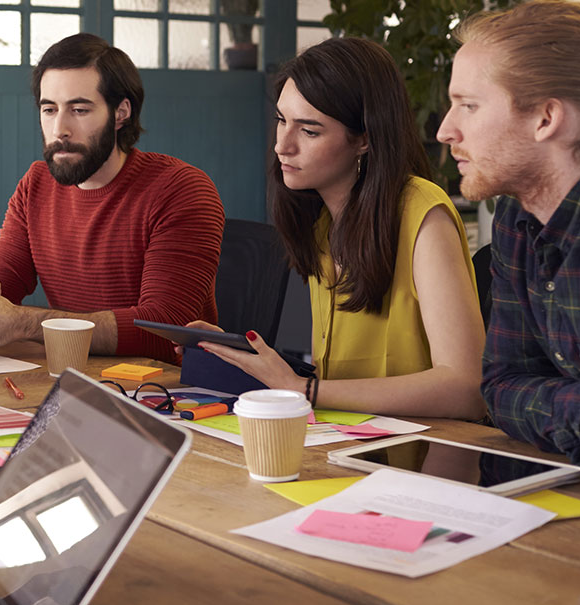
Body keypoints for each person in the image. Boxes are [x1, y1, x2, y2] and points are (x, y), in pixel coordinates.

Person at [185, 37, 486, 419]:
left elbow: (465, 389)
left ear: (363, 139)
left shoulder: (422, 213)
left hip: (414, 459)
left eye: (309, 131)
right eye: (282, 121)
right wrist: (244, 358)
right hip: (341, 444)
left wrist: (302, 389)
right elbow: (334, 384)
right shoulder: (321, 221)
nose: (283, 146)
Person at [0, 33, 225, 363]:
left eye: (79, 109)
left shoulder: (182, 189)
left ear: (121, 113)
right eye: (49, 109)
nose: (60, 128)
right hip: (70, 379)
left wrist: (23, 322)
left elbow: (166, 329)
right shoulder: (36, 185)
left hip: (163, 393)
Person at [437, 1, 580, 476]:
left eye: (468, 105)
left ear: (546, 118)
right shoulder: (517, 215)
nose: (447, 130)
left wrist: (557, 408)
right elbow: (502, 386)